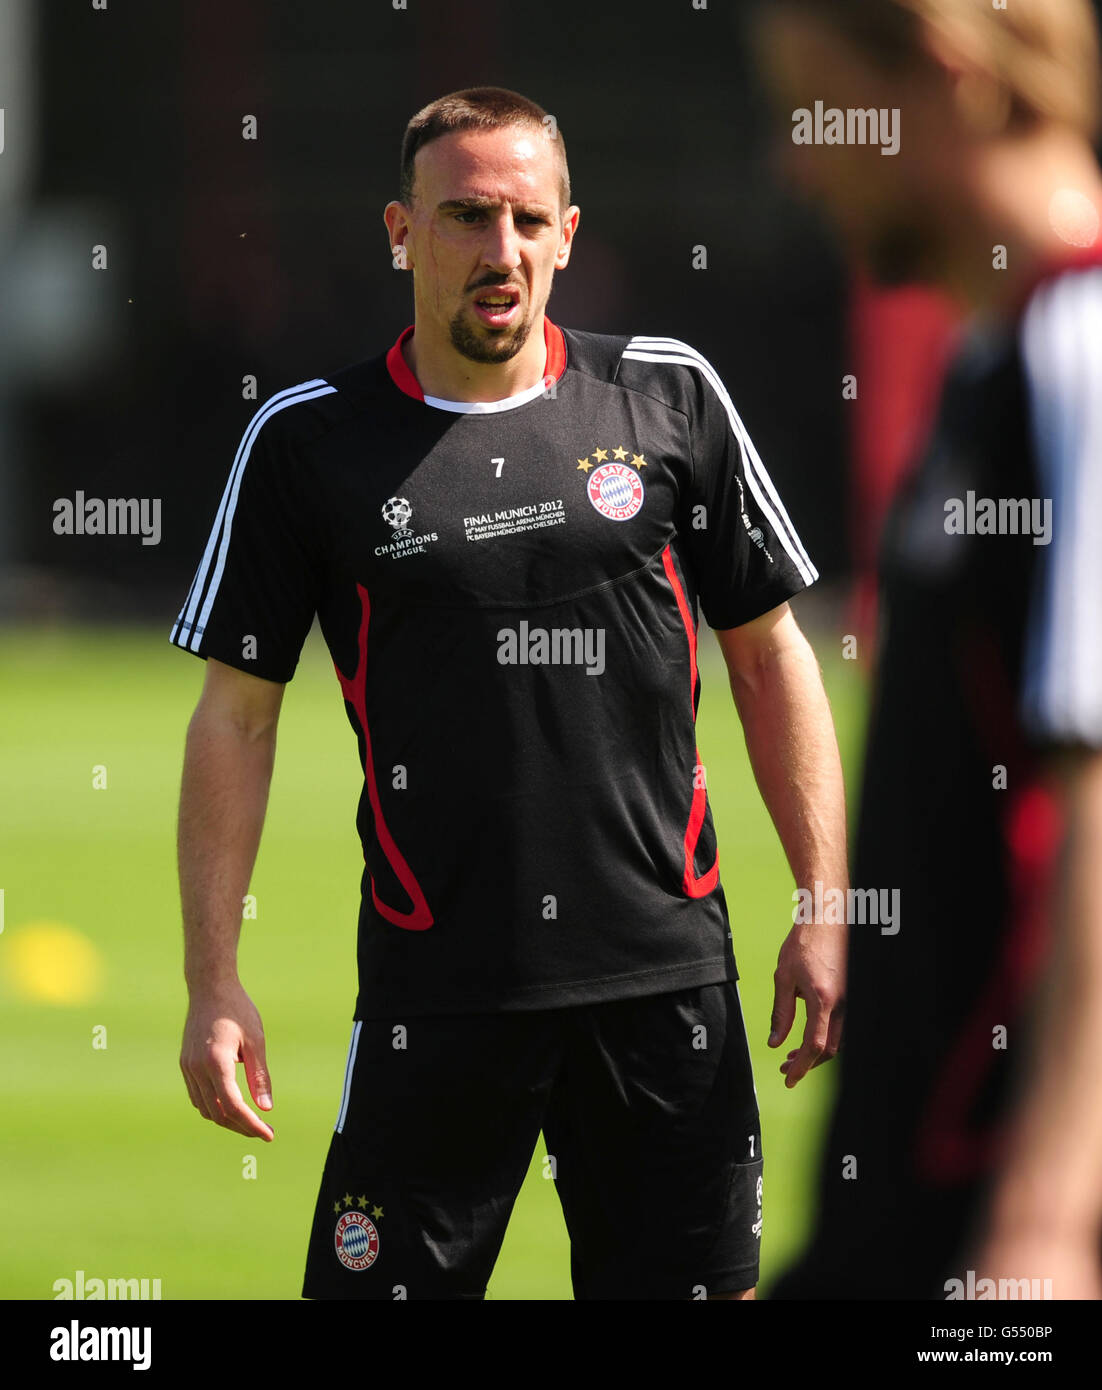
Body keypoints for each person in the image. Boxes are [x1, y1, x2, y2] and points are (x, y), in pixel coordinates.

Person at [172, 86, 848, 1301]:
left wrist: (826, 898)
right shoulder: (305, 442)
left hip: (664, 986)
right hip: (437, 993)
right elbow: (236, 714)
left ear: (569, 234)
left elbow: (769, 653)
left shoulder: (668, 395)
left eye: (528, 220)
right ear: (400, 229)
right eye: (466, 216)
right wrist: (211, 981)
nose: (502, 251)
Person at [756, 0, 1102, 1298]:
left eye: (817, 110)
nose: (796, 162)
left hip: (994, 1209)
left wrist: (1045, 1227)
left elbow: (1094, 813)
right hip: (905, 1205)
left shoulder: (1077, 352)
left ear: (947, 82)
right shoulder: (986, 364)